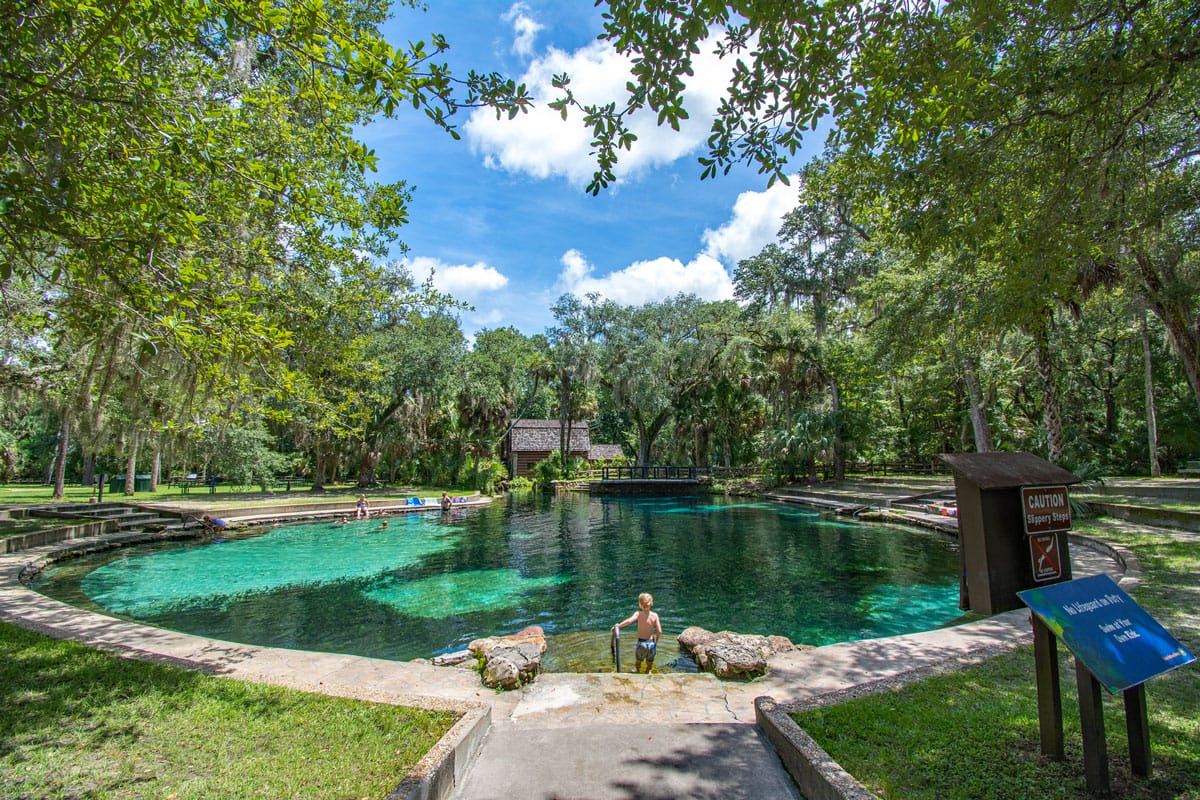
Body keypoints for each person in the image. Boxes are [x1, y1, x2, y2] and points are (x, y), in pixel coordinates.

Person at [614, 592, 662, 674]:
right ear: (651, 603)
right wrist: (656, 642)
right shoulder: (655, 615)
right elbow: (659, 631)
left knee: (639, 661)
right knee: (650, 662)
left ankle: (637, 670)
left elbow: (629, 621)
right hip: (651, 644)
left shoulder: (638, 614)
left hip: (641, 644)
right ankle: (648, 671)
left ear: (640, 604)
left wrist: (618, 626)